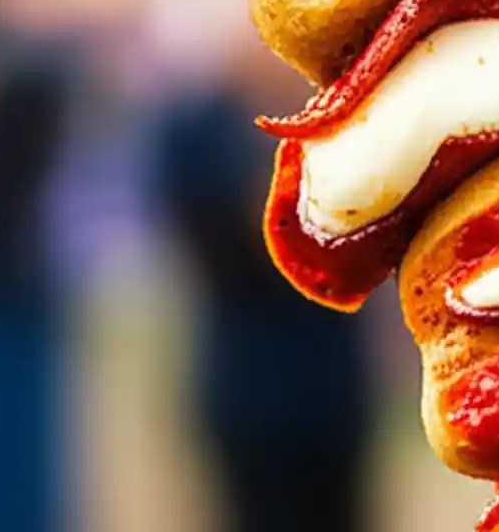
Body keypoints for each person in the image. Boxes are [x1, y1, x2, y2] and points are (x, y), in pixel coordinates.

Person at [152, 61, 370, 532]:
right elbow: (224, 246)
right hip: (248, 380)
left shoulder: (344, 115)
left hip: (331, 384)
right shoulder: (196, 131)